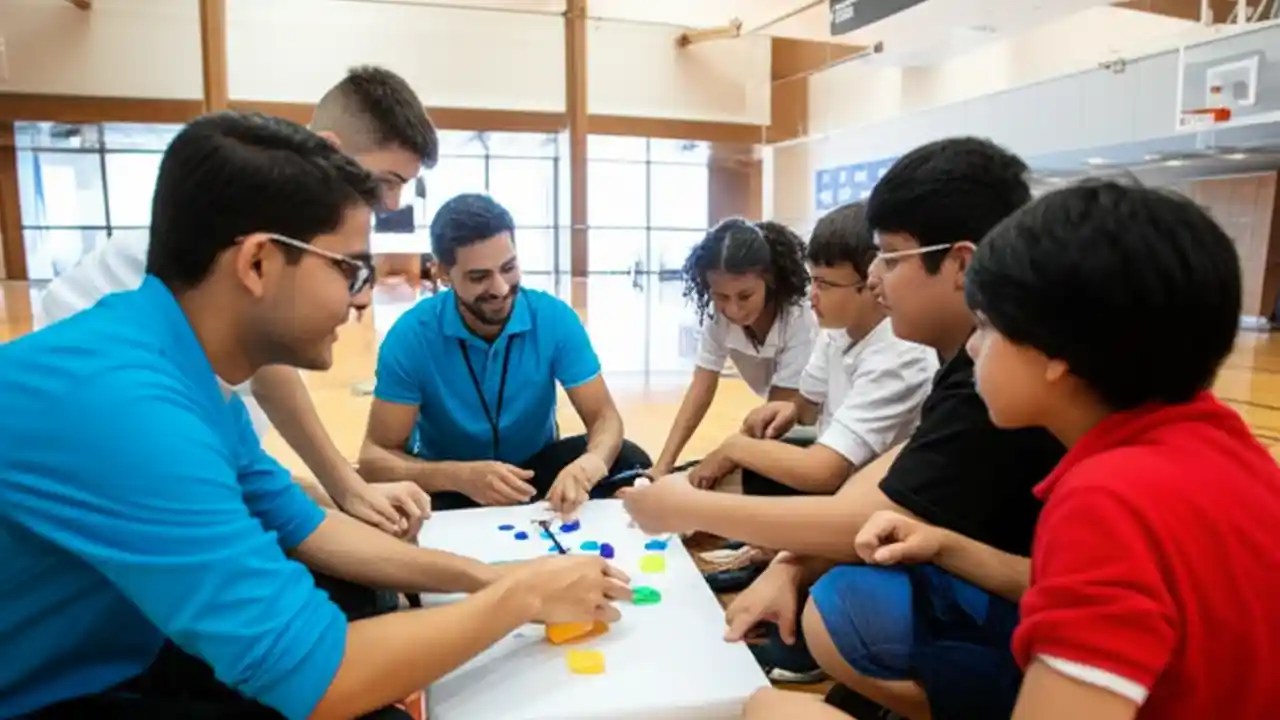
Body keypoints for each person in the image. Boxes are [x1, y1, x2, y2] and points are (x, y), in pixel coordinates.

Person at [0, 111, 630, 720]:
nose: (362, 299)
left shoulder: (180, 368)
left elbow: (307, 526)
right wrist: (521, 596)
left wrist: (491, 576)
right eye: (350, 269)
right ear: (257, 264)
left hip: (111, 651)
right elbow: (320, 681)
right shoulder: (135, 414)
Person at [787, 182, 1280, 720]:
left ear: (1056, 354)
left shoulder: (1108, 502)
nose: (974, 348)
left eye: (987, 327)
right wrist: (946, 545)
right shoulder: (1229, 451)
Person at [624, 137, 1065, 720]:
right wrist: (788, 560)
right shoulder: (963, 369)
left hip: (1009, 621)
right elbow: (884, 485)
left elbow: (854, 499)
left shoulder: (992, 385)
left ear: (961, 263)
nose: (875, 280)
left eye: (888, 257)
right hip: (999, 584)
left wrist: (692, 508)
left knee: (832, 616)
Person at [33, 65, 437, 538]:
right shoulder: (179, 279)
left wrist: (339, 492)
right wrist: (344, 487)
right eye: (385, 181)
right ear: (255, 264)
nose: (390, 204)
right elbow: (263, 388)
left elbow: (249, 476)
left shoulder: (216, 405)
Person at [359, 193, 651, 515]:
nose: (500, 288)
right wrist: (458, 475)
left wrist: (588, 467)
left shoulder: (552, 317)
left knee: (627, 458)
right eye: (479, 277)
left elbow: (605, 418)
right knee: (397, 508)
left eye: (508, 267)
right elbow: (374, 458)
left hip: (533, 473)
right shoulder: (411, 335)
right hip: (450, 483)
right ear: (442, 273)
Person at [674, 201, 936, 498]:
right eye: (812, 281)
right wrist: (789, 410)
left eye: (824, 284)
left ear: (871, 283)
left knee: (714, 492)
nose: (811, 296)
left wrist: (734, 447)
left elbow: (824, 473)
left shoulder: (900, 355)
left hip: (870, 499)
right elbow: (805, 404)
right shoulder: (835, 332)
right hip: (841, 481)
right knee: (708, 484)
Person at [652, 217, 817, 477]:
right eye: (721, 297)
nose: (733, 309)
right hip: (777, 425)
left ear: (770, 280)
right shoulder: (718, 317)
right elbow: (701, 387)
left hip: (819, 426)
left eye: (745, 296)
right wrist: (662, 466)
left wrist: (722, 458)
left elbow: (774, 414)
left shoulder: (800, 317)